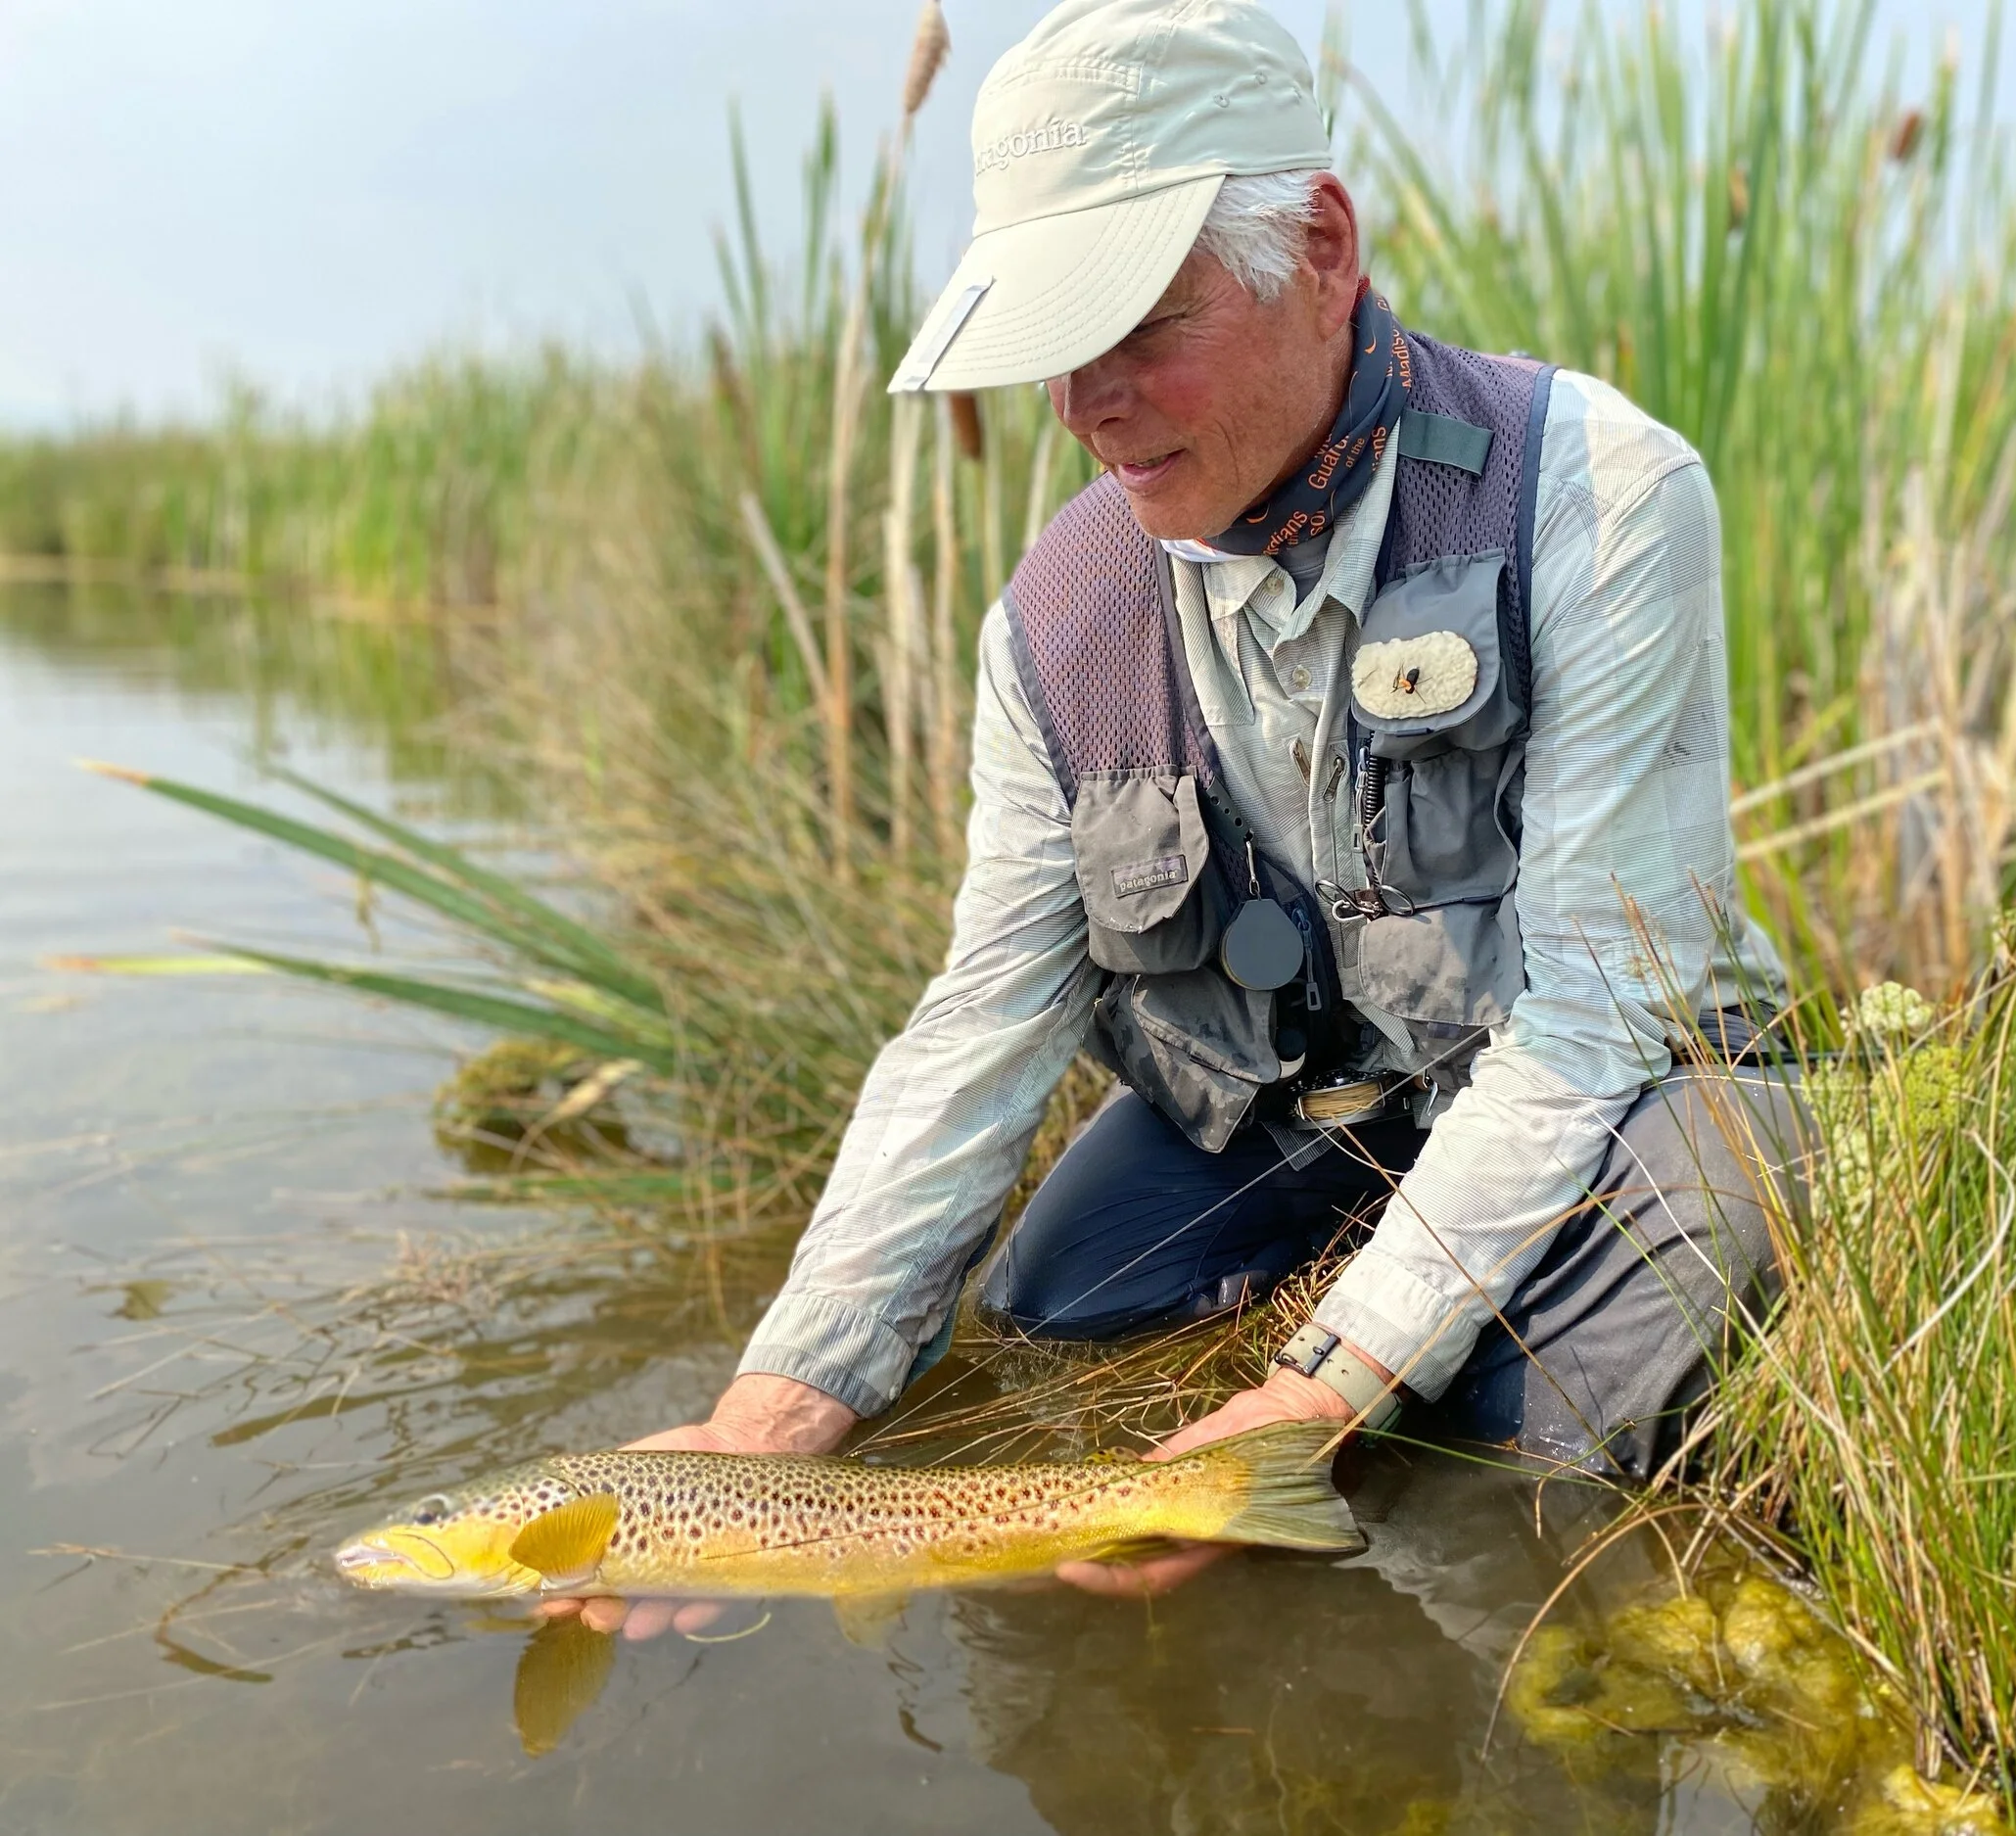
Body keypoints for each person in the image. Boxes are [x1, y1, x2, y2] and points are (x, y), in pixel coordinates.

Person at [549, 0, 1799, 1640]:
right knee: (1059, 1306)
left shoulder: (1598, 498)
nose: (1088, 402)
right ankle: (1416, 1308)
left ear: (1324, 246)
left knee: (1551, 1416)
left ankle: (1489, 1390)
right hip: (1312, 1108)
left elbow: (1589, 1014)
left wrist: (1313, 1392)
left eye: (1140, 321)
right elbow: (983, 1016)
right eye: (1054, 344)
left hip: (1614, 1074)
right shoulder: (1050, 626)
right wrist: (776, 1412)